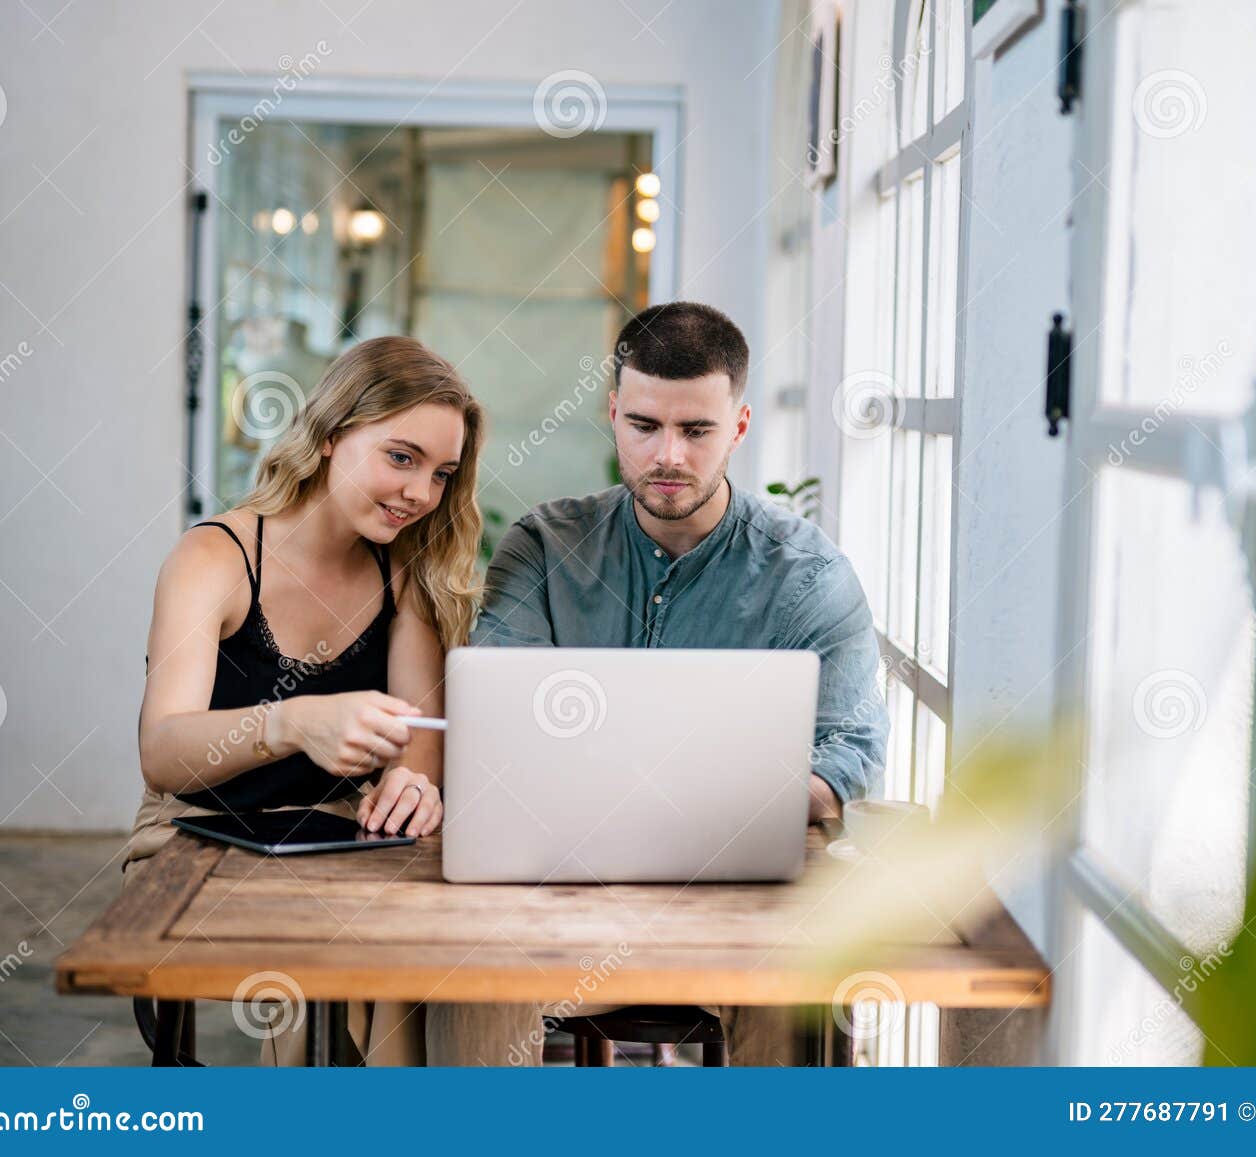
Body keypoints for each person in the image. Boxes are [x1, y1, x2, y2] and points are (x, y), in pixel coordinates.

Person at [427, 301, 887, 1065]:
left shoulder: (810, 578)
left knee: (795, 991)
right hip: (557, 906)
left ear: (738, 427)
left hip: (735, 914)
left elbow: (850, 761)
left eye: (697, 430)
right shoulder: (543, 545)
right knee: (474, 979)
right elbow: (498, 740)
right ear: (613, 415)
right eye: (644, 426)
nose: (667, 454)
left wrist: (681, 798)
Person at [131, 335, 484, 1066]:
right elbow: (162, 752)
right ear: (329, 437)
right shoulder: (215, 559)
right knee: (334, 954)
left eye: (442, 473)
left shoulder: (407, 576)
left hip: (335, 835)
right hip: (196, 834)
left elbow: (419, 751)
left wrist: (412, 786)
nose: (421, 492)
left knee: (415, 945)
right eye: (401, 456)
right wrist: (290, 721)